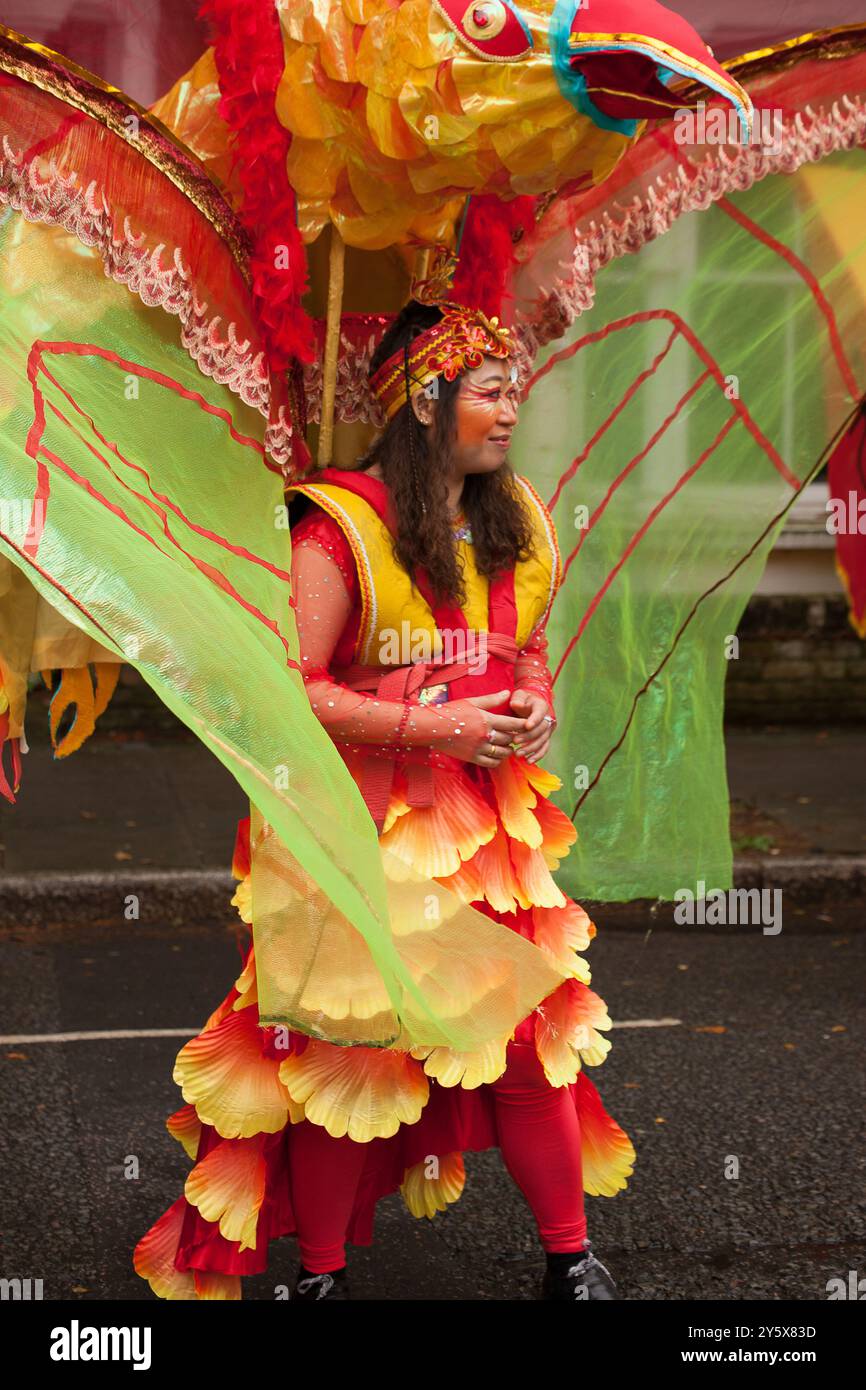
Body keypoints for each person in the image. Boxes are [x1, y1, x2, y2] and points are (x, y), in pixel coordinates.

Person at [133, 296, 636, 1303]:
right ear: (422, 403)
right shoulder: (337, 532)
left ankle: (569, 1259)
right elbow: (293, 688)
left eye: (512, 394)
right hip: (363, 829)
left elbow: (523, 647)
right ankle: (319, 1274)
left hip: (489, 832)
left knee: (526, 1048)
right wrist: (437, 728)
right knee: (351, 1050)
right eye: (489, 394)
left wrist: (532, 702)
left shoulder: (515, 517)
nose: (508, 413)